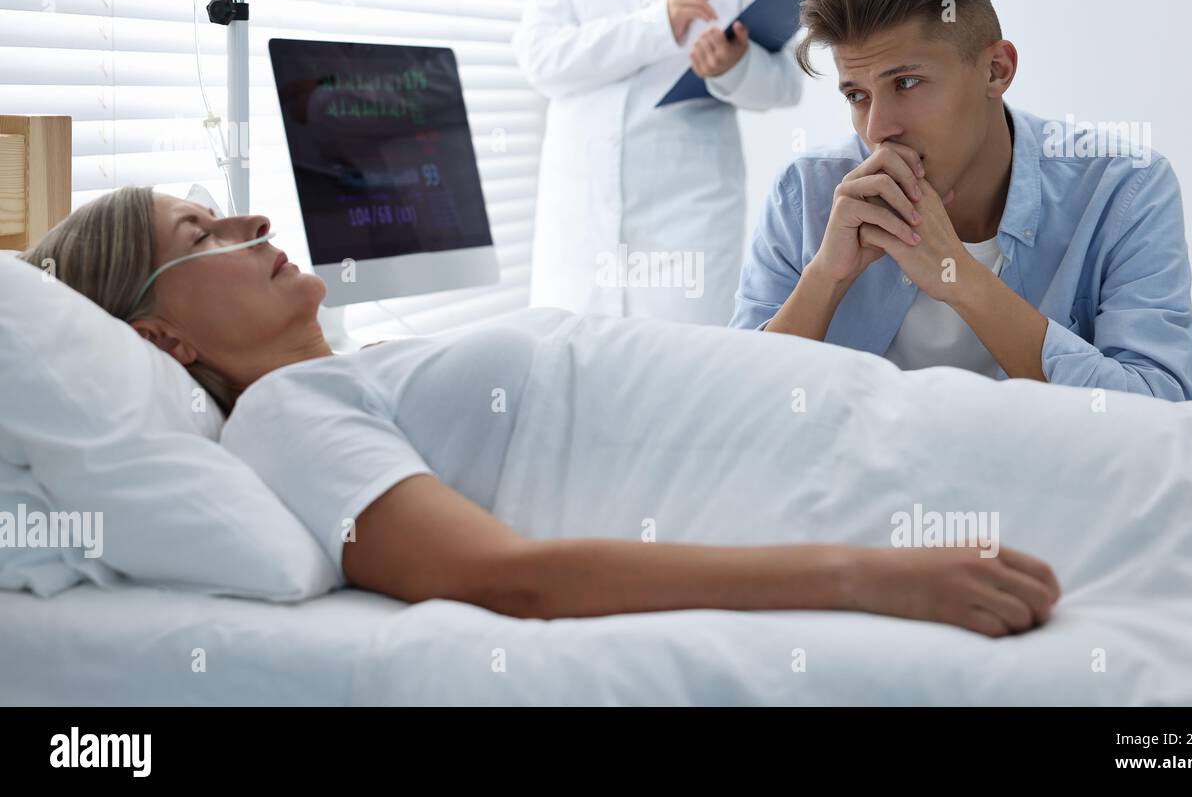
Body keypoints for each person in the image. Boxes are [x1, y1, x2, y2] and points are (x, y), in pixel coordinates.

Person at [20, 187, 1060, 637]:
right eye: (202, 233)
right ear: (163, 339)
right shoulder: (285, 418)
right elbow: (505, 579)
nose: (250, 219)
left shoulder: (358, 372)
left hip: (873, 417)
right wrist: (876, 578)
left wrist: (825, 281)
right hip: (871, 473)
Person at [730, 0, 1192, 400]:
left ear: (996, 70)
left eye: (906, 82)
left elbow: (1159, 410)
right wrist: (825, 278)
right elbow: (736, 412)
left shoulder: (1123, 189)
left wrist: (961, 279)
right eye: (857, 95)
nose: (877, 129)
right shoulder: (805, 194)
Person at [513, 0, 803, 324]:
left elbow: (785, 84)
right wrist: (656, 24)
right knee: (565, 357)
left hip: (687, 213)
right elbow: (541, 58)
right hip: (580, 209)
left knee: (683, 364)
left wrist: (734, 66)